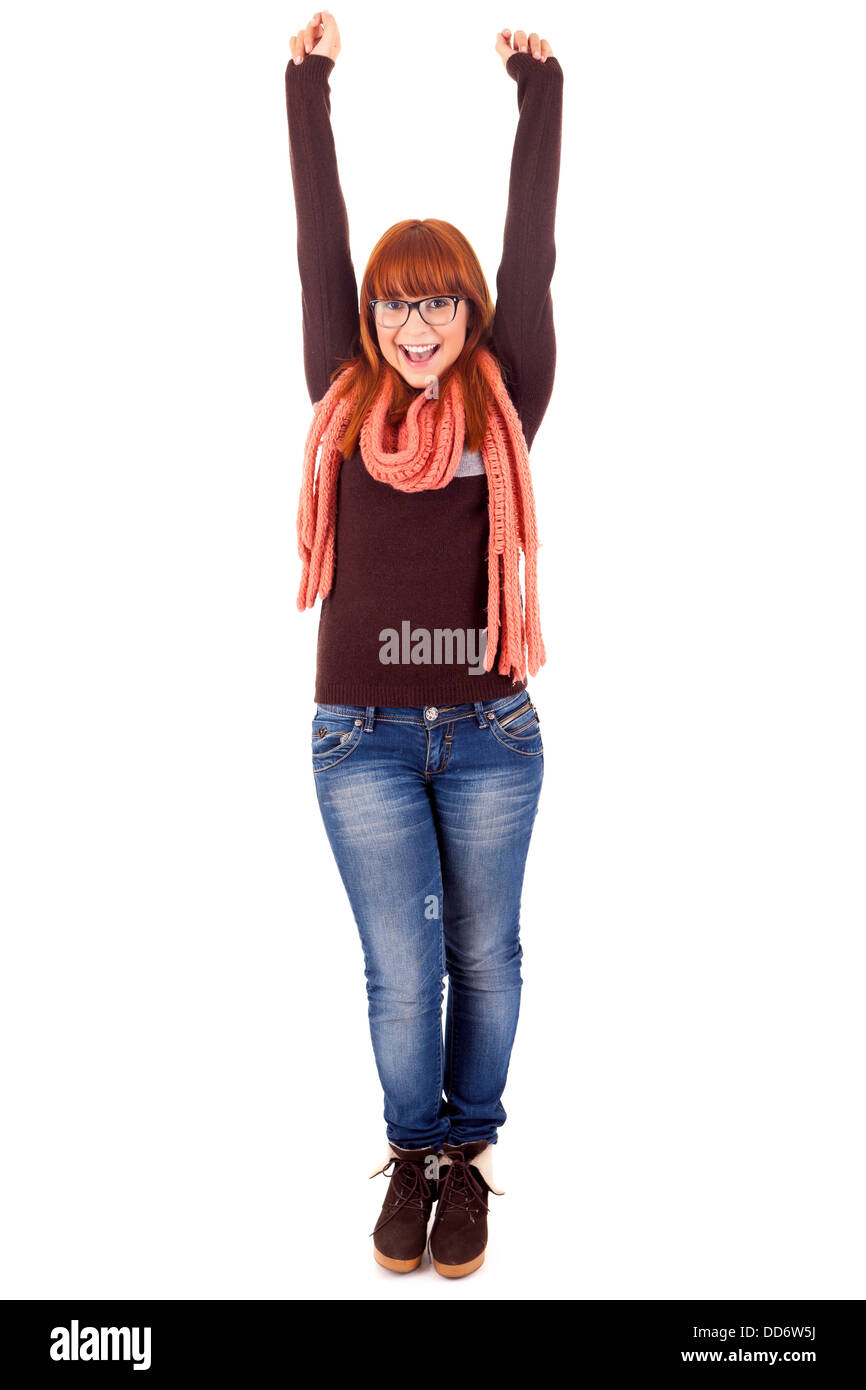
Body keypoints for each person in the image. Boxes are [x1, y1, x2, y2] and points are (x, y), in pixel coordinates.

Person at [285, 11, 562, 1278]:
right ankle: (414, 1151)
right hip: (362, 739)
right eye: (396, 304)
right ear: (371, 315)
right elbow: (315, 242)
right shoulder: (340, 404)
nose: (416, 324)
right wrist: (307, 90)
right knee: (402, 974)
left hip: (493, 732)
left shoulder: (504, 395)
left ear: (467, 312)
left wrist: (537, 93)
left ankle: (469, 1159)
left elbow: (535, 253)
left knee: (483, 957)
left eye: (438, 301)